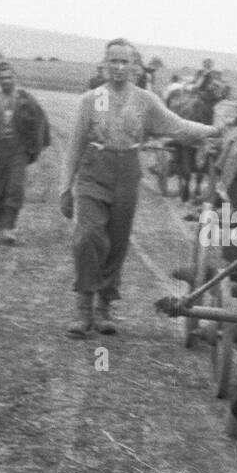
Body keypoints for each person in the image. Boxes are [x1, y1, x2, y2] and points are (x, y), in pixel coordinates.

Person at [59, 39, 221, 337]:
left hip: (127, 171)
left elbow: (178, 127)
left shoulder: (145, 101)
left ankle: (104, 309)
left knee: (117, 243)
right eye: (114, 61)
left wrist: (216, 131)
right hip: (94, 171)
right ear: (105, 64)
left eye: (125, 62)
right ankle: (83, 308)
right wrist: (64, 188)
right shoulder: (91, 100)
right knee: (88, 237)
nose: (119, 67)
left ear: (134, 67)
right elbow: (74, 147)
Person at [0, 61, 50, 243]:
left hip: (18, 151)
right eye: (2, 78)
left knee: (15, 189)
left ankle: (10, 229)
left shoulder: (25, 100)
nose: (6, 81)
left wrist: (37, 145)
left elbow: (40, 120)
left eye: (9, 77)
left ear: (15, 78)